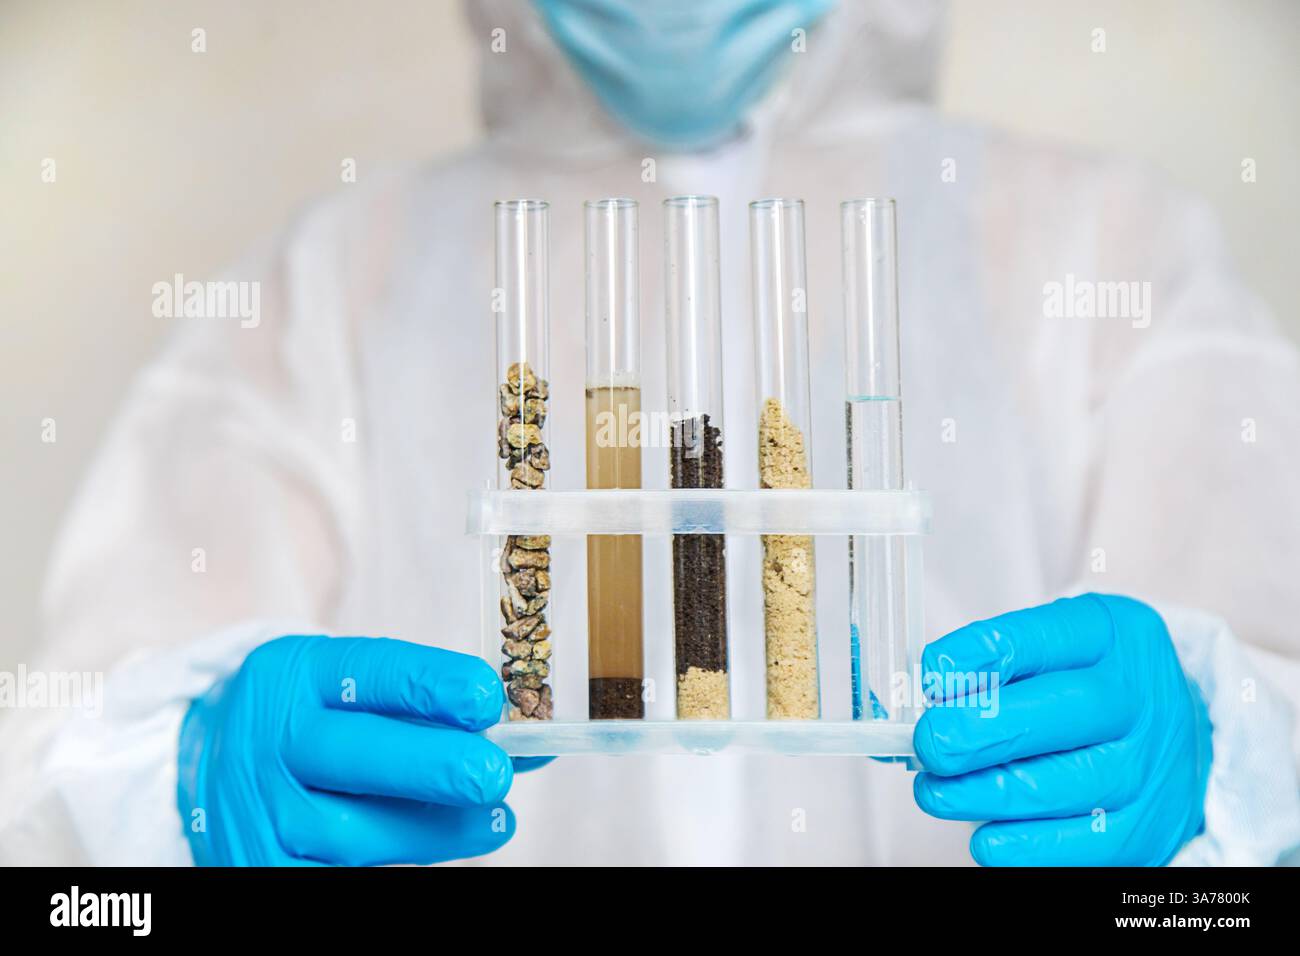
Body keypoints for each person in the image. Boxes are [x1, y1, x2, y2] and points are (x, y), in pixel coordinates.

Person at [2, 0, 1298, 866]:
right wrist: (176, 786)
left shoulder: (1105, 250)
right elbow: (44, 790)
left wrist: (1221, 755)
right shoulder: (335, 282)